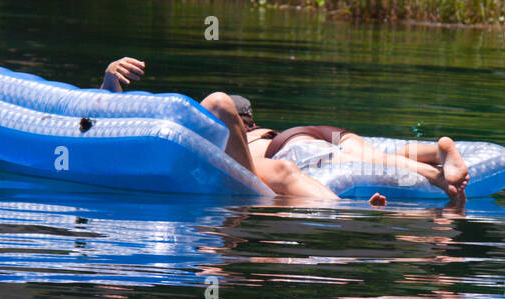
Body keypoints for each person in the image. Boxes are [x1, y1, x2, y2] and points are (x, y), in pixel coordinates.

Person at [101, 57, 387, 205]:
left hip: (228, 175)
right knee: (219, 103)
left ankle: (350, 210)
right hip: (194, 160)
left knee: (283, 171)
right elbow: (101, 118)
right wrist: (110, 77)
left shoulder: (253, 146)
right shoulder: (192, 119)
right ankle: (352, 210)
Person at [228, 95, 469, 206]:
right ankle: (438, 152)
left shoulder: (234, 139)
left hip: (292, 145)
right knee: (378, 157)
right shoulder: (260, 130)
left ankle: (436, 176)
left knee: (364, 162)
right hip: (322, 133)